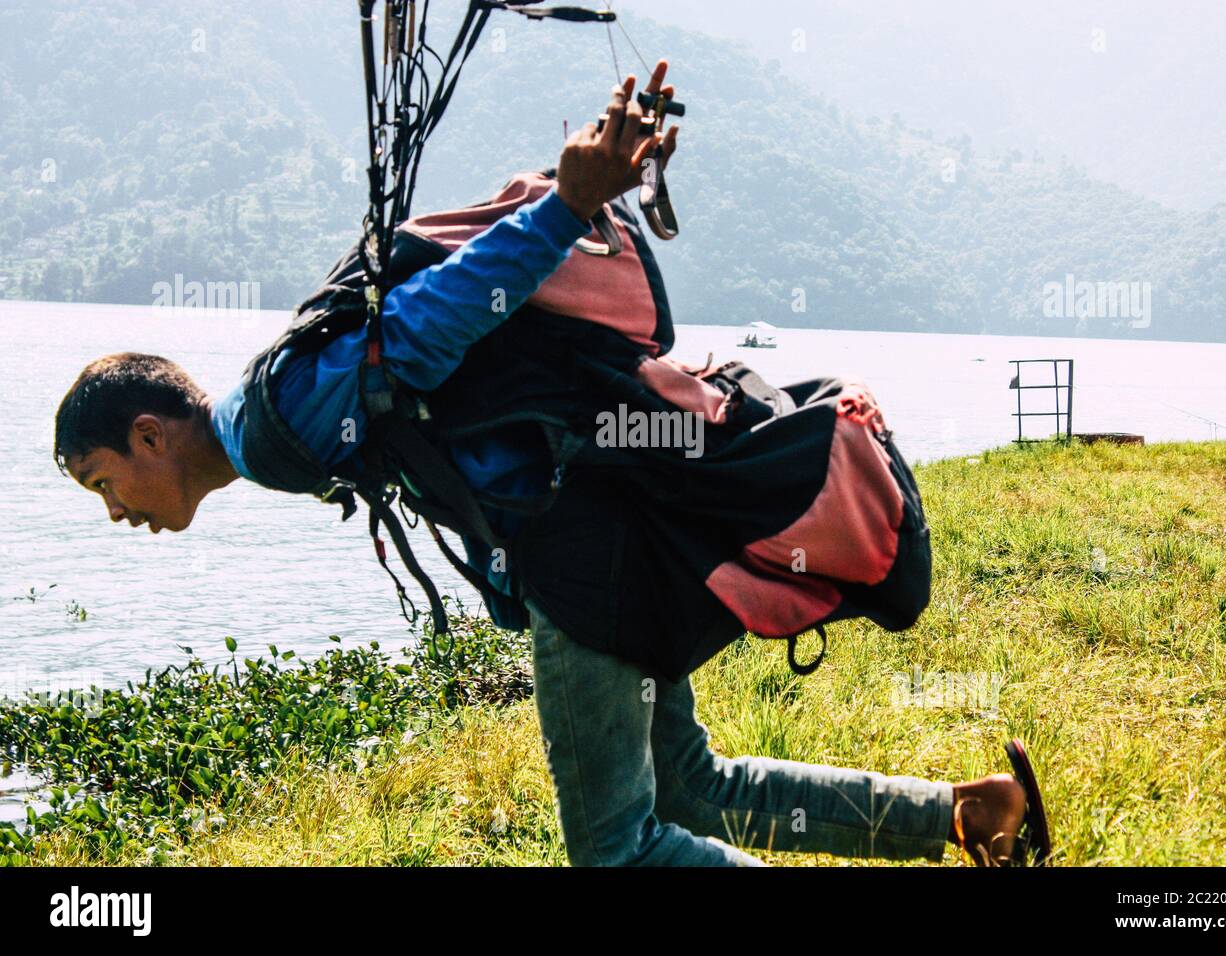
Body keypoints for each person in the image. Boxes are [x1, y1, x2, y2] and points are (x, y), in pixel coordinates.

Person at [52, 65, 1045, 867]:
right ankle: (968, 815)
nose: (117, 511)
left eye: (104, 483)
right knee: (690, 787)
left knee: (617, 848)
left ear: (149, 434)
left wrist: (567, 205)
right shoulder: (269, 403)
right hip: (609, 532)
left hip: (583, 563)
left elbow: (429, 322)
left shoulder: (274, 425)